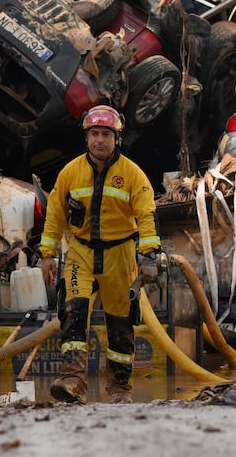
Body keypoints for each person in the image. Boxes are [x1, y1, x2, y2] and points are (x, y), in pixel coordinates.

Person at [39, 104, 160, 404]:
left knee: (120, 324)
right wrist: (47, 253)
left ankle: (119, 389)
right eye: (94, 133)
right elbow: (54, 214)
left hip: (120, 255)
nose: (99, 140)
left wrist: (149, 255)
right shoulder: (70, 173)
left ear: (117, 138)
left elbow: (147, 214)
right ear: (86, 137)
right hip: (81, 252)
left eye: (106, 134)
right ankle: (72, 380)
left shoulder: (132, 175)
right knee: (74, 311)